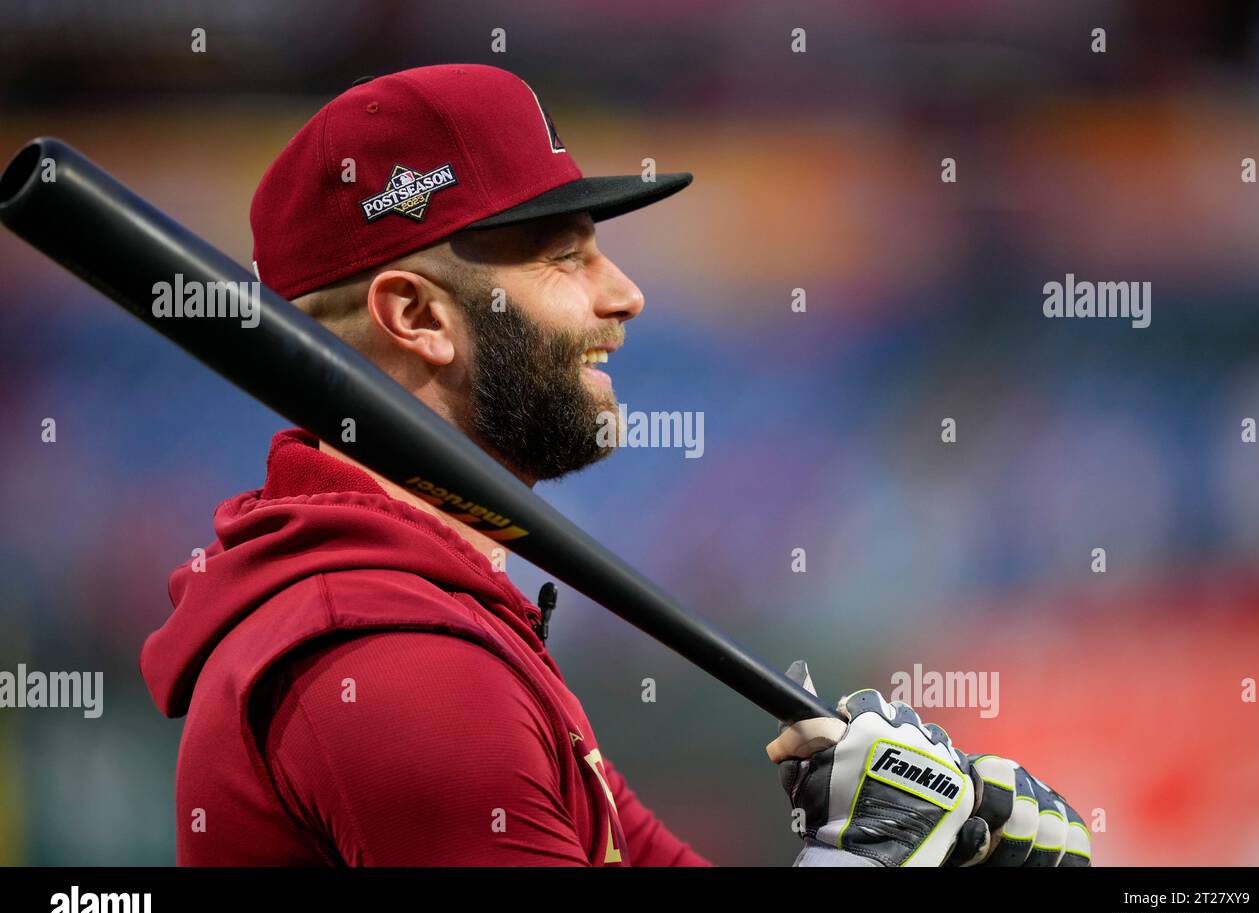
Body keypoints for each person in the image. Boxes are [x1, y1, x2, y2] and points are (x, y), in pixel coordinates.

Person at [141, 64, 1090, 867]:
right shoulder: (394, 667)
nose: (626, 296)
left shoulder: (444, 613)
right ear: (417, 317)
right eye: (565, 260)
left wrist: (921, 847)